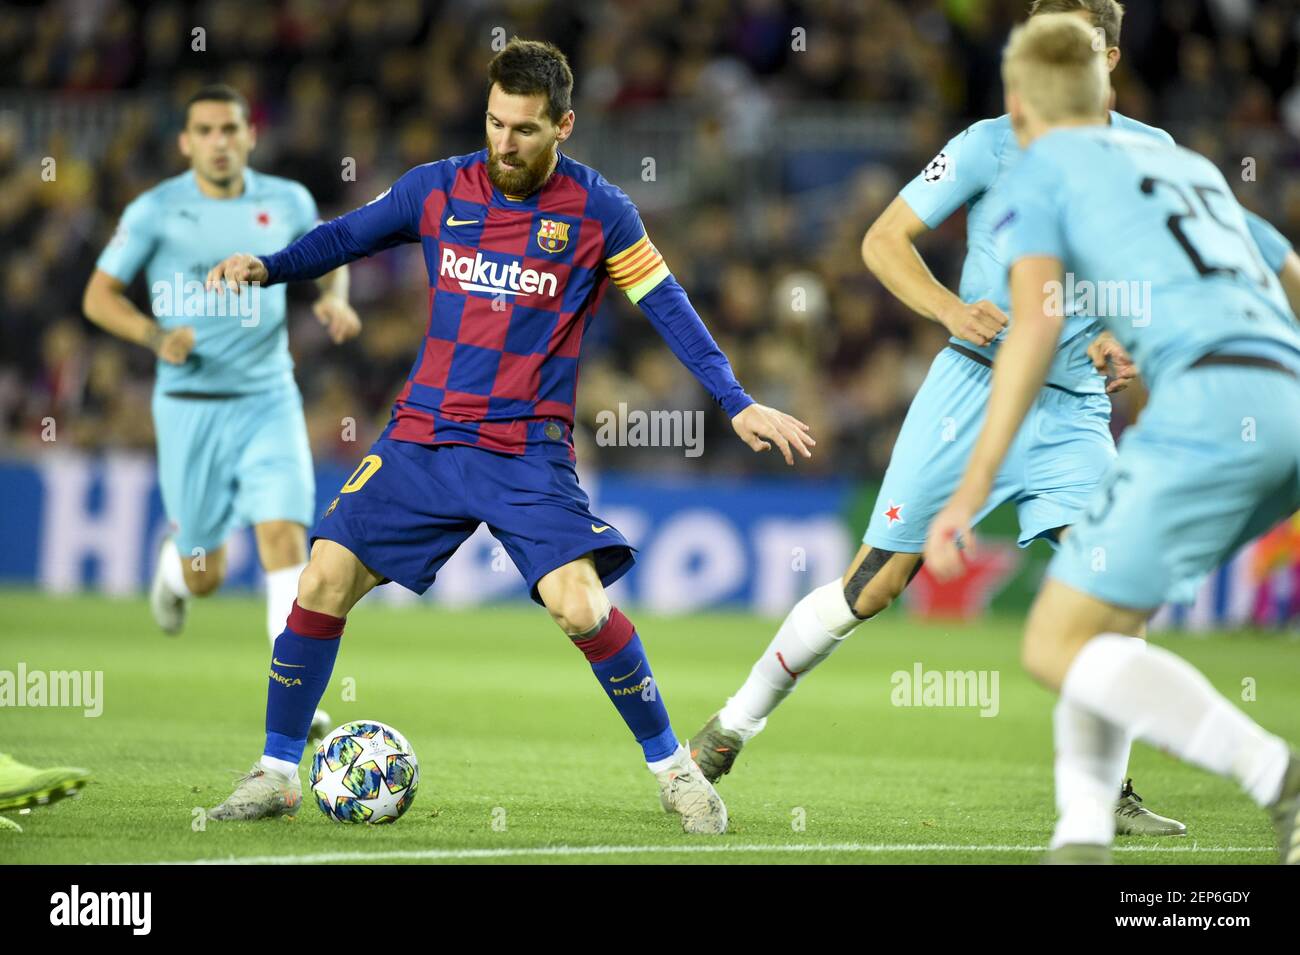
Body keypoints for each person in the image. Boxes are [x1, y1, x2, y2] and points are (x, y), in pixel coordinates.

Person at [202, 39, 813, 834]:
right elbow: (347, 236)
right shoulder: (437, 188)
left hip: (526, 449)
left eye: (524, 129)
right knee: (321, 579)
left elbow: (666, 303)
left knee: (581, 606)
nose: (504, 142)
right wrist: (269, 266)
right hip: (421, 437)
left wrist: (734, 400)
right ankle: (278, 771)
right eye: (495, 123)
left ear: (563, 124)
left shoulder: (600, 212)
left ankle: (676, 771)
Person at [923, 12, 1300, 864]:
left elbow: (1029, 334)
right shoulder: (1183, 162)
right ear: (1107, 90)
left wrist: (973, 489)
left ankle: (1275, 770)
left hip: (1205, 407)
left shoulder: (1040, 175)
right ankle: (1083, 832)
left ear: (1019, 102)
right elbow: (1285, 271)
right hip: (1284, 395)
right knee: (1102, 619)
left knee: (1054, 642)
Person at [83, 84, 356, 742]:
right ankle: (176, 569)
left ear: (250, 136)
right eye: (205, 130)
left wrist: (333, 298)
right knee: (207, 572)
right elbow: (99, 296)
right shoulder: (156, 210)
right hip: (189, 407)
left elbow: (331, 256)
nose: (220, 141)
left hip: (269, 396)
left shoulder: (287, 200)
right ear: (186, 142)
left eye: (231, 128)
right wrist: (154, 336)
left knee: (286, 538)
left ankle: (293, 695)